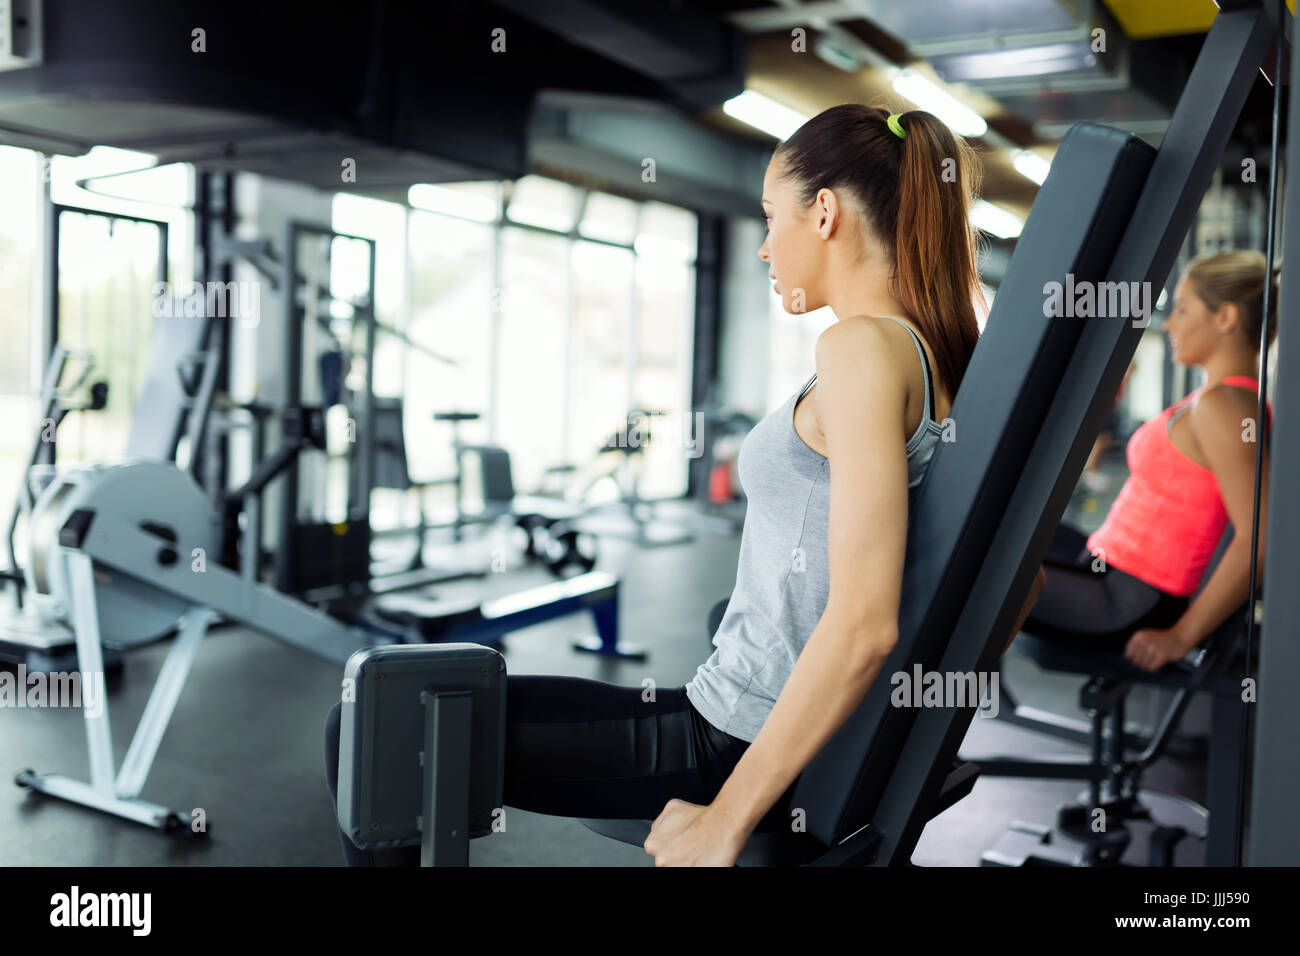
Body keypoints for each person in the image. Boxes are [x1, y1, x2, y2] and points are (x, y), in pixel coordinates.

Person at [324, 104, 1046, 867]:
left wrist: (727, 818)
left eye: (773, 219)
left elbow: (866, 625)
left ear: (825, 213)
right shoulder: (946, 363)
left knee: (377, 722)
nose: (767, 249)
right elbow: (1016, 585)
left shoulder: (860, 347)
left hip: (727, 741)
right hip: (749, 717)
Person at [1025, 250, 1277, 673]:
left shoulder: (1226, 406)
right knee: (1001, 529)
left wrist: (1182, 636)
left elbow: (1261, 536)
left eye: (1181, 308)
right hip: (1110, 565)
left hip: (1126, 600)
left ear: (1226, 317)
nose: (1170, 323)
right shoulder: (1219, 400)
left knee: (962, 569)